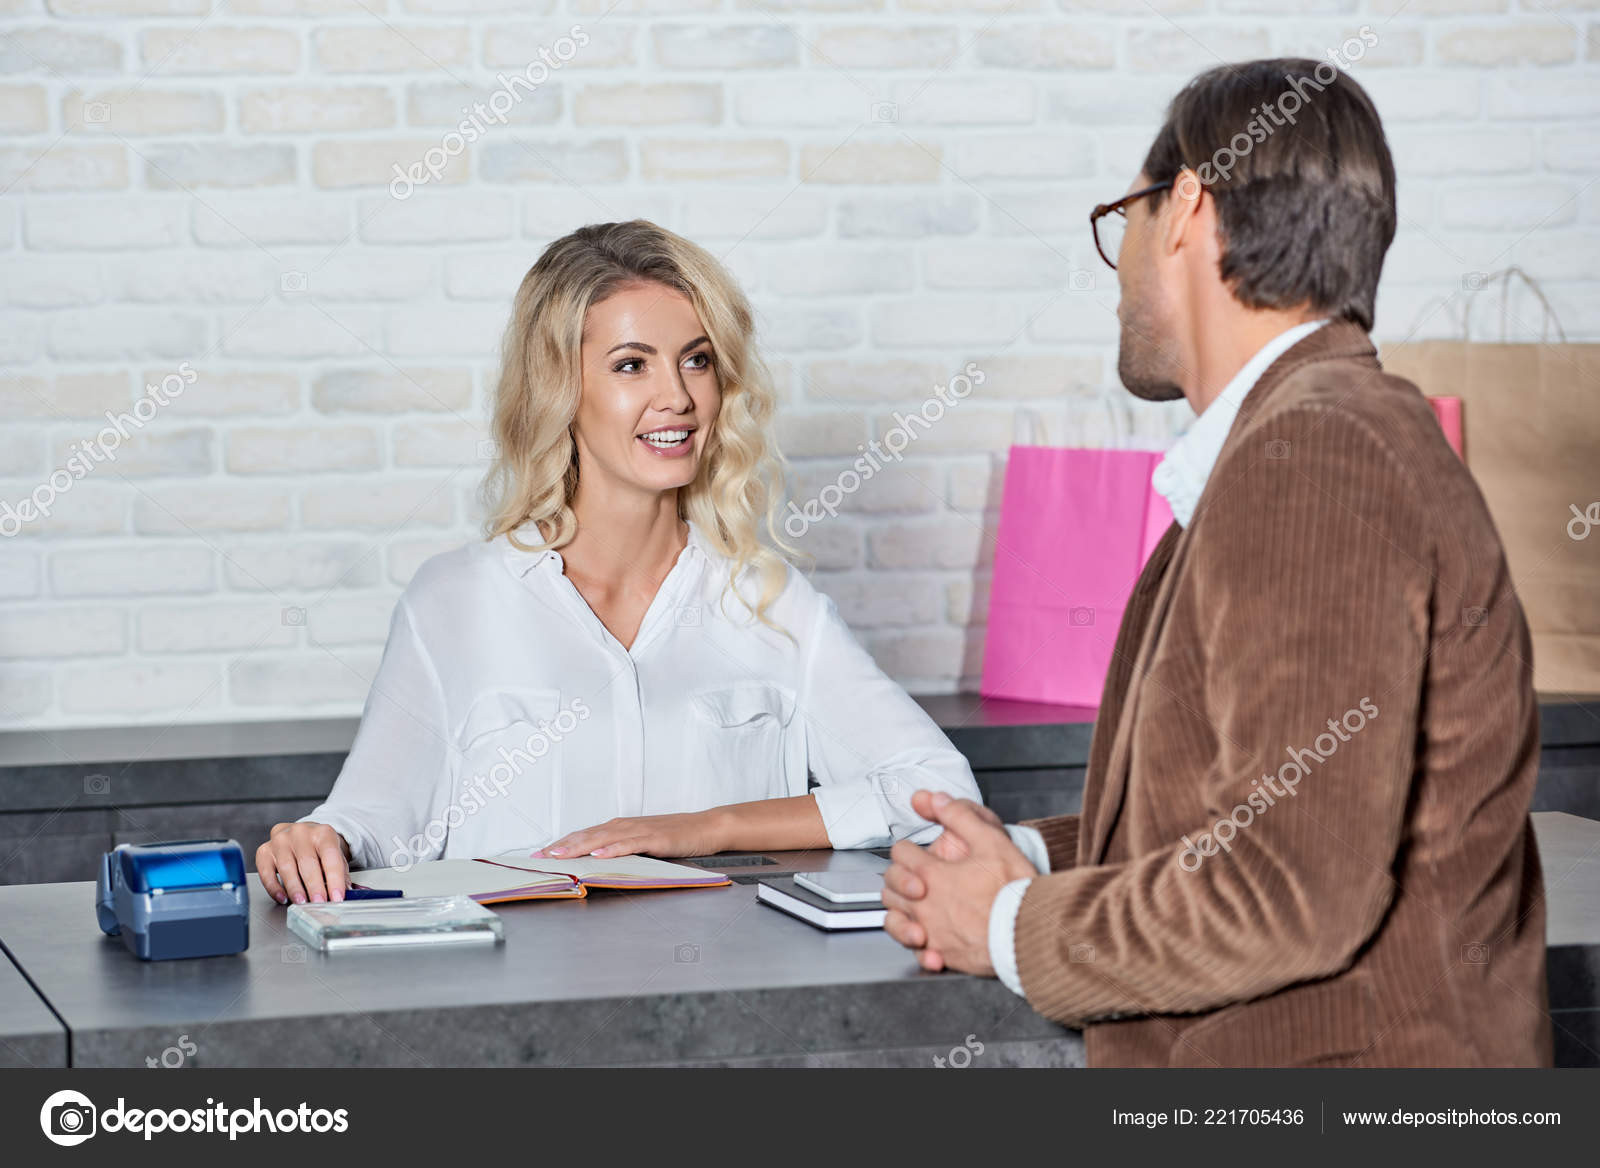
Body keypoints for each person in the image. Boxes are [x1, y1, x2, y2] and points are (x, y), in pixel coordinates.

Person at [882, 59, 1552, 1067]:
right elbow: (1252, 806)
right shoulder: (1301, 440)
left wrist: (1012, 925)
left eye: (1127, 218)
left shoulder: (1311, 458)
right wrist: (1022, 858)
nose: (1119, 270)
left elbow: (1286, 886)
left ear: (1187, 204)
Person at [257, 220, 980, 906]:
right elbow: (373, 821)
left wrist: (705, 828)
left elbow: (938, 789)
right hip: (514, 1006)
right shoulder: (455, 601)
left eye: (696, 360)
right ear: (561, 390)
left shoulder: (768, 600)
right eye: (632, 365)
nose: (678, 397)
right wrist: (317, 841)